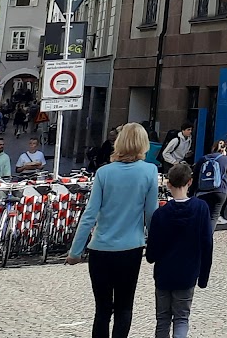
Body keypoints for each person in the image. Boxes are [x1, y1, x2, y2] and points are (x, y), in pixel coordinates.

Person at [67, 122, 160, 338]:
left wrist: (75, 252)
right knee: (124, 308)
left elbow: (90, 215)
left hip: (100, 249)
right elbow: (151, 215)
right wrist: (155, 247)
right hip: (131, 249)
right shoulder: (149, 171)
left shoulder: (104, 173)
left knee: (102, 311)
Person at [146, 161, 212, 338]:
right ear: (190, 182)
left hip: (164, 274)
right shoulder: (201, 208)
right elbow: (207, 243)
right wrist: (203, 276)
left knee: (162, 319)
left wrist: (153, 255)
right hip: (187, 273)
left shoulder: (160, 214)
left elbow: (151, 253)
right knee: (182, 319)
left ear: (168, 184)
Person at [195, 142, 227, 225]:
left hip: (203, 191)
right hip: (220, 191)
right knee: (214, 216)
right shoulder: (225, 159)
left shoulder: (203, 159)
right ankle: (208, 236)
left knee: (203, 215)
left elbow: (195, 175)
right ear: (224, 150)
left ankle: (199, 235)